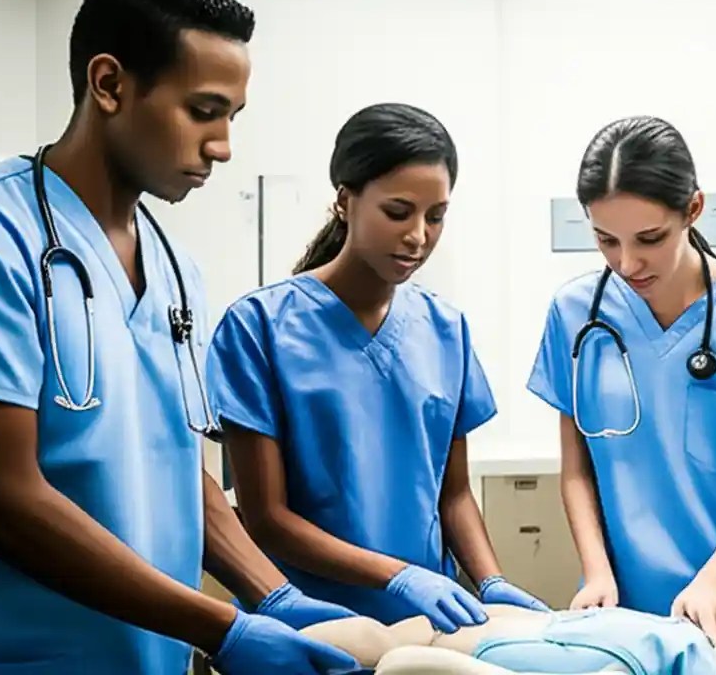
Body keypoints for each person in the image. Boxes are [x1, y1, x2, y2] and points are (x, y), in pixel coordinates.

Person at [0, 0, 360, 674]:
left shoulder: (177, 270)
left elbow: (173, 471)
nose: (223, 147)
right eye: (203, 111)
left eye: (231, 118)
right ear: (108, 83)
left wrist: (276, 596)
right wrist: (222, 627)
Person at [206, 102, 549, 636]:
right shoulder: (259, 327)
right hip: (313, 629)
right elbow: (267, 517)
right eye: (398, 212)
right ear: (345, 201)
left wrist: (490, 582)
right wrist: (397, 577)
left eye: (435, 216)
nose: (418, 235)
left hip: (428, 630)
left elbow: (453, 494)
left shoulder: (444, 329)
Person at [526, 115, 716, 648]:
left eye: (649, 238)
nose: (627, 262)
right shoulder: (576, 314)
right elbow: (577, 470)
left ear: (693, 209)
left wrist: (712, 585)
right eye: (605, 240)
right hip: (622, 609)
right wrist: (597, 572)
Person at [294, 603, 716, 675]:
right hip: (529, 624)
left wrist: (449, 671)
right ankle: (252, 642)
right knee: (376, 633)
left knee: (377, 644)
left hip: (479, 653)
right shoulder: (699, 641)